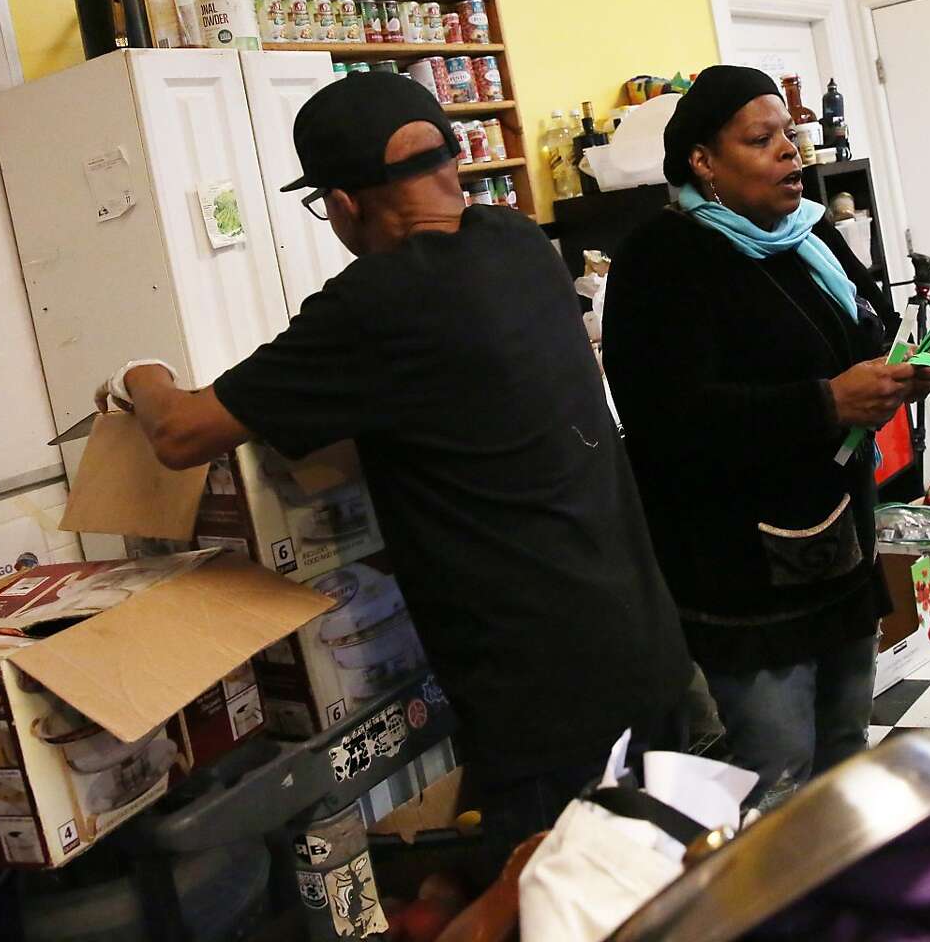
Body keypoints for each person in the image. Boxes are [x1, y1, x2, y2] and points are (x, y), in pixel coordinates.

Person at [93, 71, 692, 861]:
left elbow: (179, 434)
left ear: (341, 204)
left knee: (560, 902)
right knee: (646, 881)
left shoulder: (380, 299)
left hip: (543, 695)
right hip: (645, 646)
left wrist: (137, 375)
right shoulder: (517, 242)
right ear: (449, 159)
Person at [602, 65, 930, 808]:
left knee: (846, 746)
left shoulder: (808, 236)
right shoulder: (661, 259)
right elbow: (667, 419)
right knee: (775, 772)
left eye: (789, 133)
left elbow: (866, 332)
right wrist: (826, 403)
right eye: (762, 138)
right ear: (702, 161)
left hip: (839, 540)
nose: (790, 151)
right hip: (738, 569)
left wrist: (896, 374)